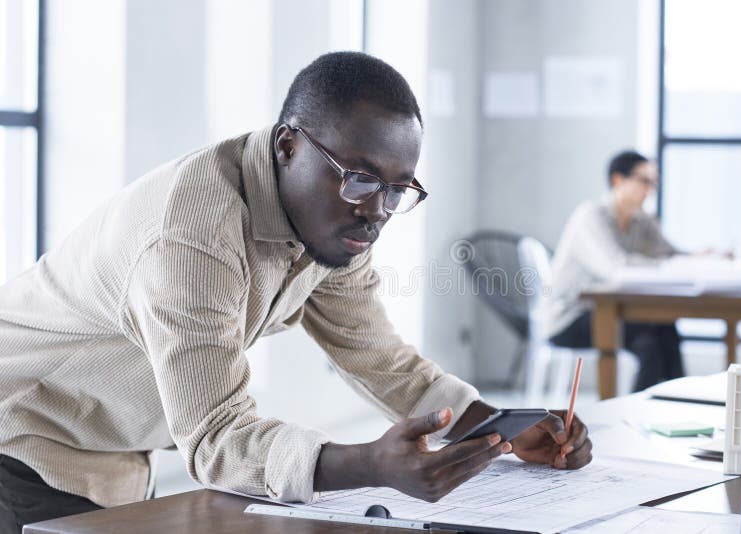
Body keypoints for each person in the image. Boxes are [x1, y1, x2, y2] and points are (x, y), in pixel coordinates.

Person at [0, 52, 592, 532]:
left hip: (115, 454)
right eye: (360, 178)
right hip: (22, 441)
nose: (377, 212)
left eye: (398, 189)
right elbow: (216, 436)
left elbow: (381, 361)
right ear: (288, 146)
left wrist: (502, 430)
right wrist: (370, 465)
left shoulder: (335, 223)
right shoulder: (193, 234)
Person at [547, 150, 684, 391]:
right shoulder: (590, 216)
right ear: (618, 180)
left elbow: (671, 255)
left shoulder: (641, 220)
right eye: (644, 181)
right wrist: (662, 265)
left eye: (654, 182)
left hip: (614, 311)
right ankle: (659, 406)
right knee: (656, 332)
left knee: (659, 333)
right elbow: (615, 268)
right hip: (572, 317)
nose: (650, 189)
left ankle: (671, 404)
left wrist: (703, 258)